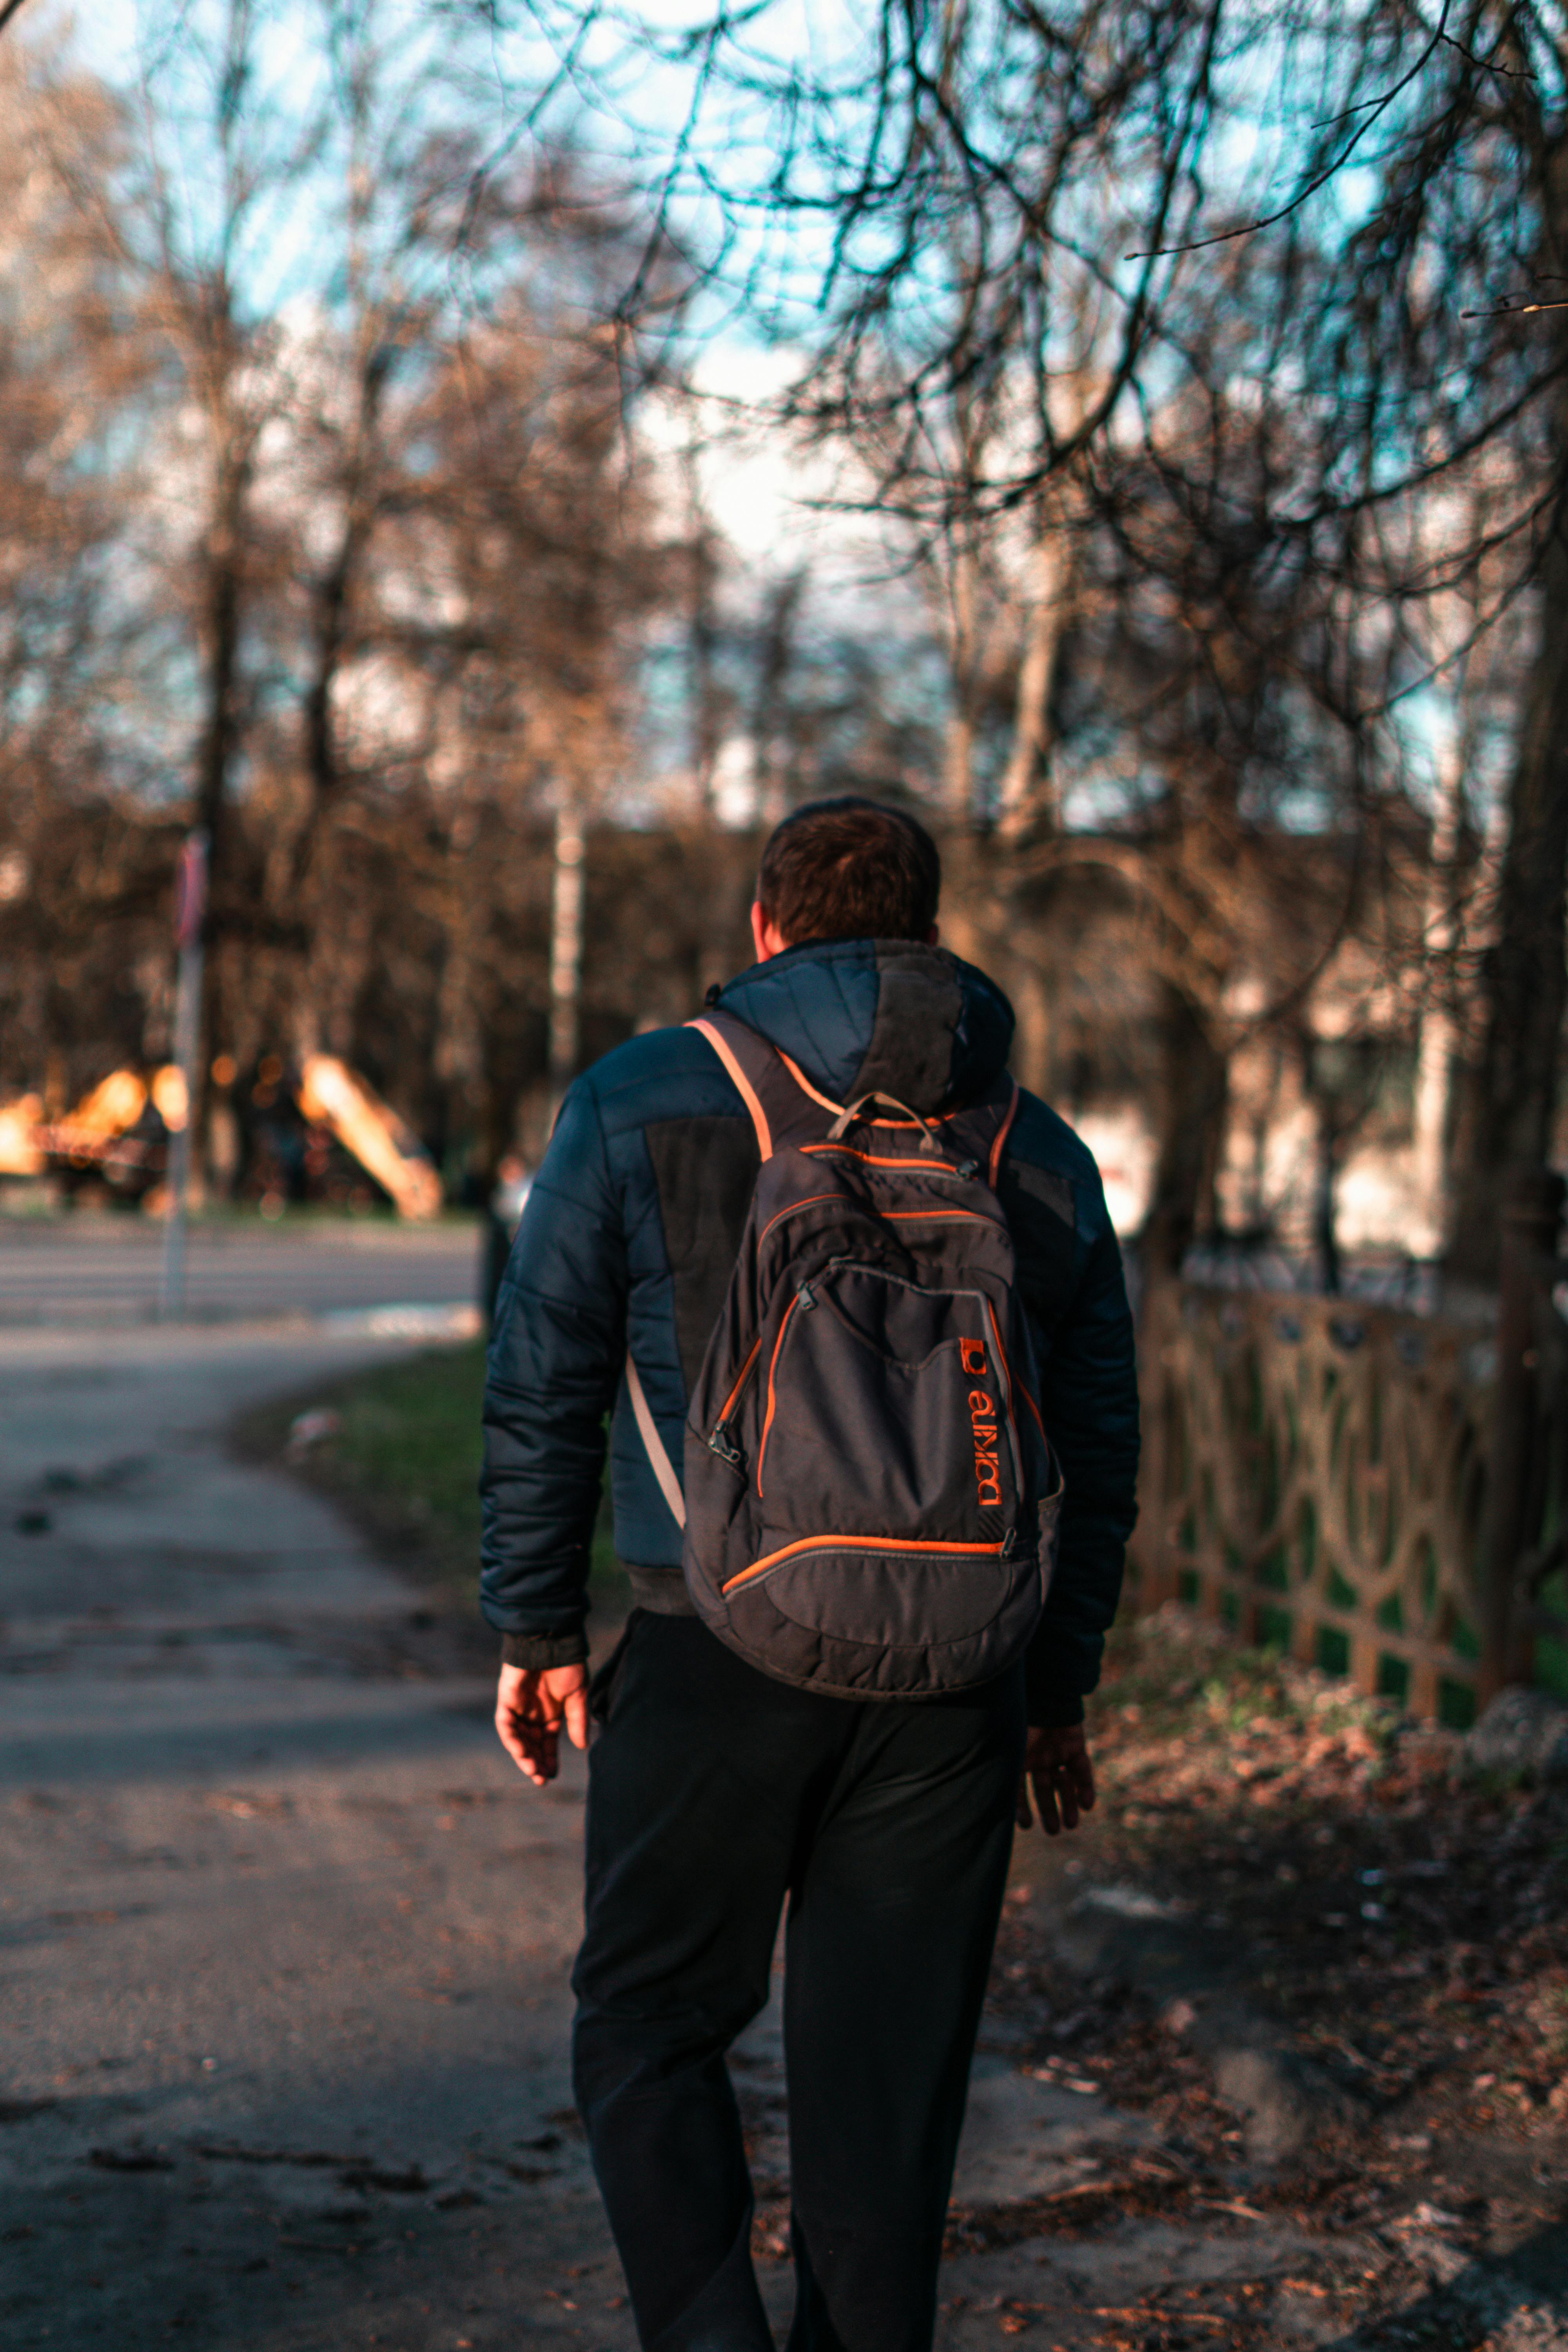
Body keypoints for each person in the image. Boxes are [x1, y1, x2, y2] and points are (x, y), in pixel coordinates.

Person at [481, 798, 1140, 2352]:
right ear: (925, 937)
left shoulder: (642, 1095)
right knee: (886, 2084)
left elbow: (541, 1377)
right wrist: (1057, 1689)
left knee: (647, 2019)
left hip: (702, 1641)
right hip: (962, 1673)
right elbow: (1095, 1440)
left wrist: (532, 1623)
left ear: (763, 932)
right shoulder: (1030, 1143)